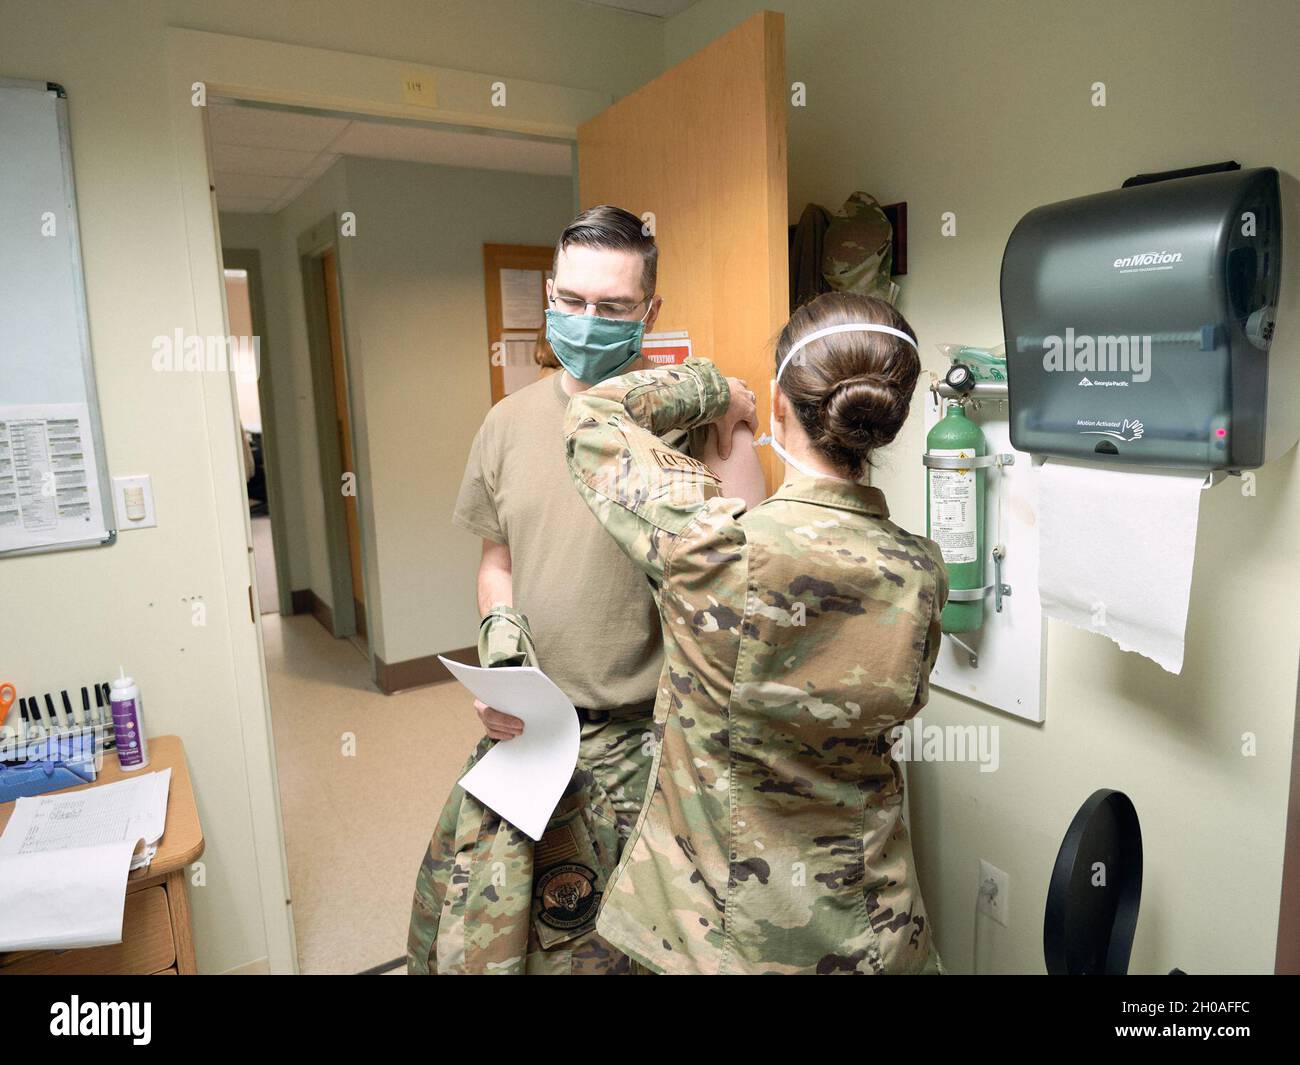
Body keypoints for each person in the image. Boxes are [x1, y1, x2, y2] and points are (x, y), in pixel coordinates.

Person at [406, 205, 763, 975]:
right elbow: (496, 559)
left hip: (653, 743)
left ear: (650, 312)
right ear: (548, 295)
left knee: (633, 954)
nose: (587, 321)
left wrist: (725, 412)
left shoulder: (694, 424)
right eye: (570, 301)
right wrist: (503, 660)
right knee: (492, 937)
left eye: (612, 308)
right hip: (535, 735)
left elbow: (751, 576)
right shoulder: (506, 424)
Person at [563, 291, 948, 974]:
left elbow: (593, 419)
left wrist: (715, 389)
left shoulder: (716, 551)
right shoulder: (921, 571)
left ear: (777, 402)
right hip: (873, 928)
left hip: (726, 938)